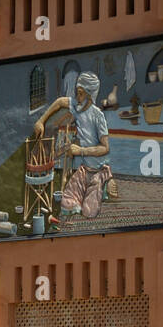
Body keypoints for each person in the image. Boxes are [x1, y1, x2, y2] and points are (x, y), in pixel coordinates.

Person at [33, 72, 114, 219]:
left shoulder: (98, 116)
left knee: (89, 212)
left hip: (97, 170)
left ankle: (104, 180)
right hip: (84, 170)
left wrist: (81, 150)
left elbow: (105, 147)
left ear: (90, 96)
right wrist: (41, 120)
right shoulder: (77, 107)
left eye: (81, 94)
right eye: (77, 93)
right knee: (67, 204)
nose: (77, 97)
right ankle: (87, 189)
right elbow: (59, 102)